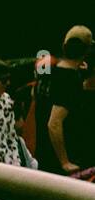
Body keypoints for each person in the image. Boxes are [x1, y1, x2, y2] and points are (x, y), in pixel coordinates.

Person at [37, 25, 92, 174]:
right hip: (63, 160)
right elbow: (54, 123)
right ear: (87, 50)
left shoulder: (49, 72)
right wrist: (65, 162)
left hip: (42, 154)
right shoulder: (70, 79)